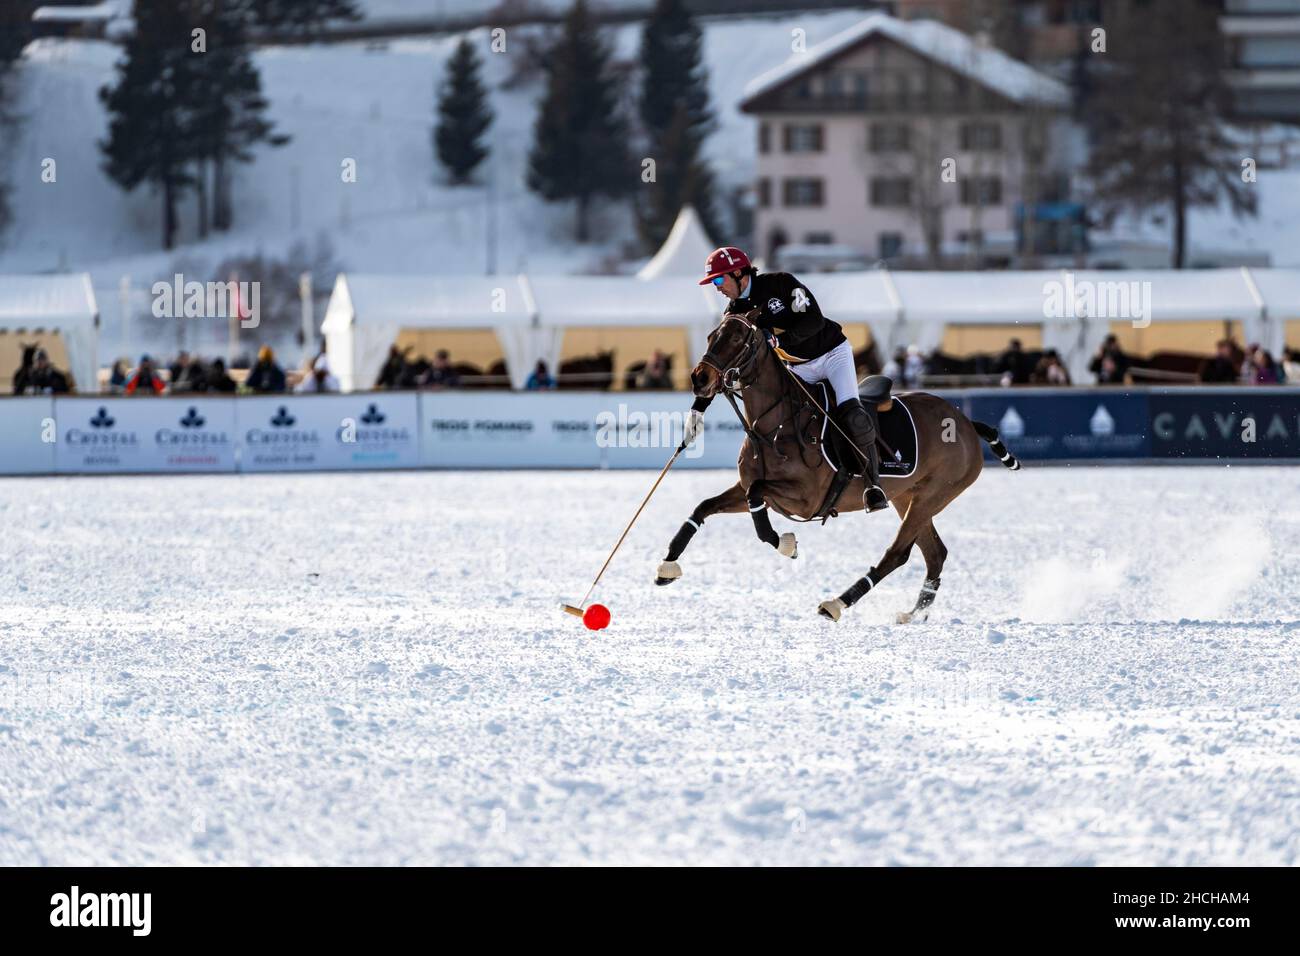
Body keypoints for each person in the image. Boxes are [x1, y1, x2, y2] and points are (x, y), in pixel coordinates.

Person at [683, 245, 887, 512]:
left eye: (719, 280)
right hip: (797, 366)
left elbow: (813, 320)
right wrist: (697, 411)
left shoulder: (781, 284)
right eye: (714, 282)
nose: (717, 287)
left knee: (851, 413)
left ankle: (873, 485)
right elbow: (720, 363)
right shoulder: (734, 313)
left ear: (738, 274)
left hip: (831, 354)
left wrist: (780, 339)